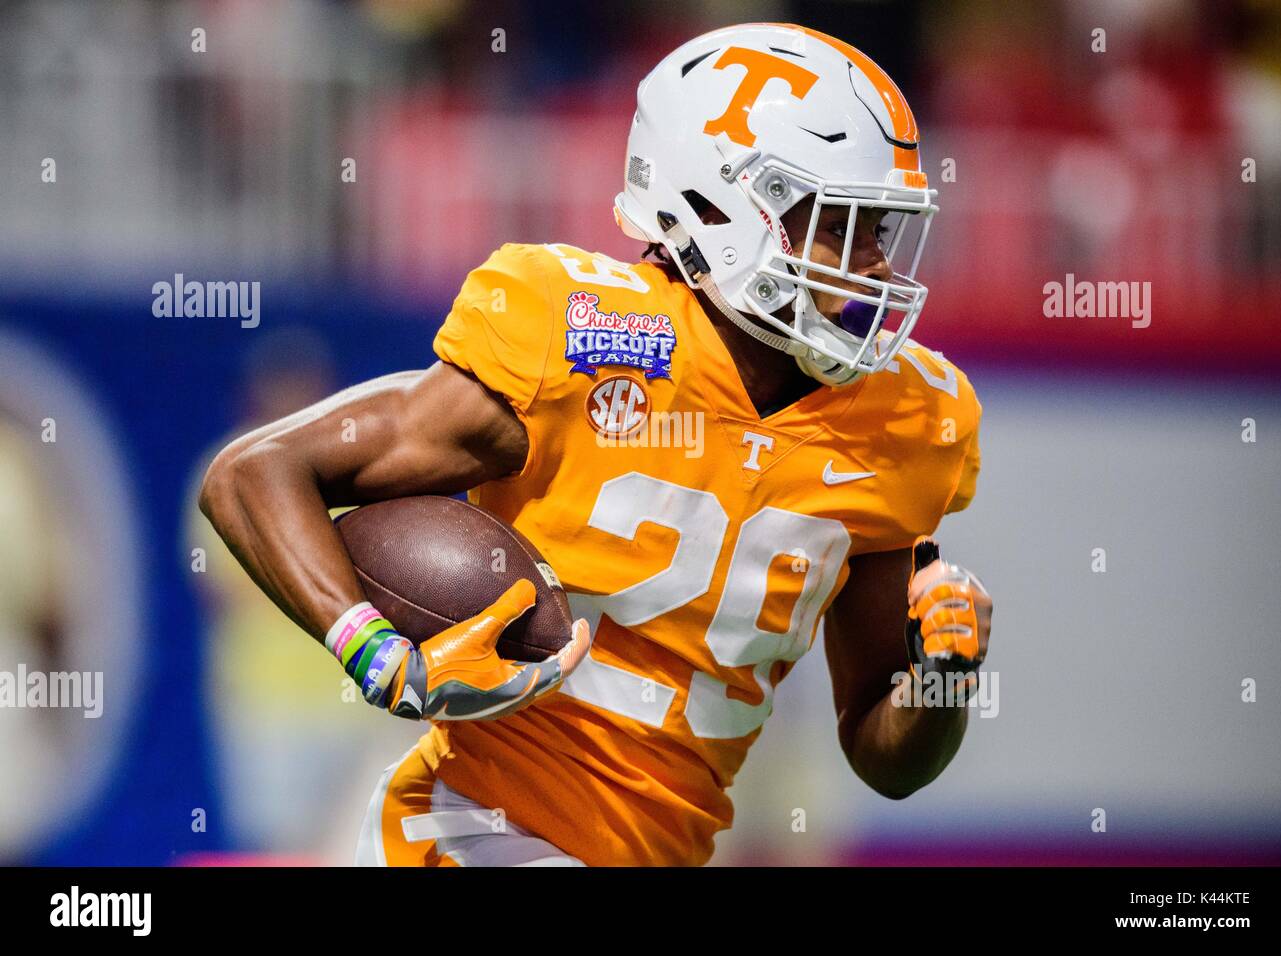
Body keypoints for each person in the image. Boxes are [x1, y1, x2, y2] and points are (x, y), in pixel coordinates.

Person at [199, 22, 993, 867]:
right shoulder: (583, 331)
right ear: (722, 205)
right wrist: (373, 649)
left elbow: (884, 755)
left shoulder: (908, 421)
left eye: (883, 229)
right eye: (843, 222)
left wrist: (943, 675)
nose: (872, 265)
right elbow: (254, 474)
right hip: (470, 831)